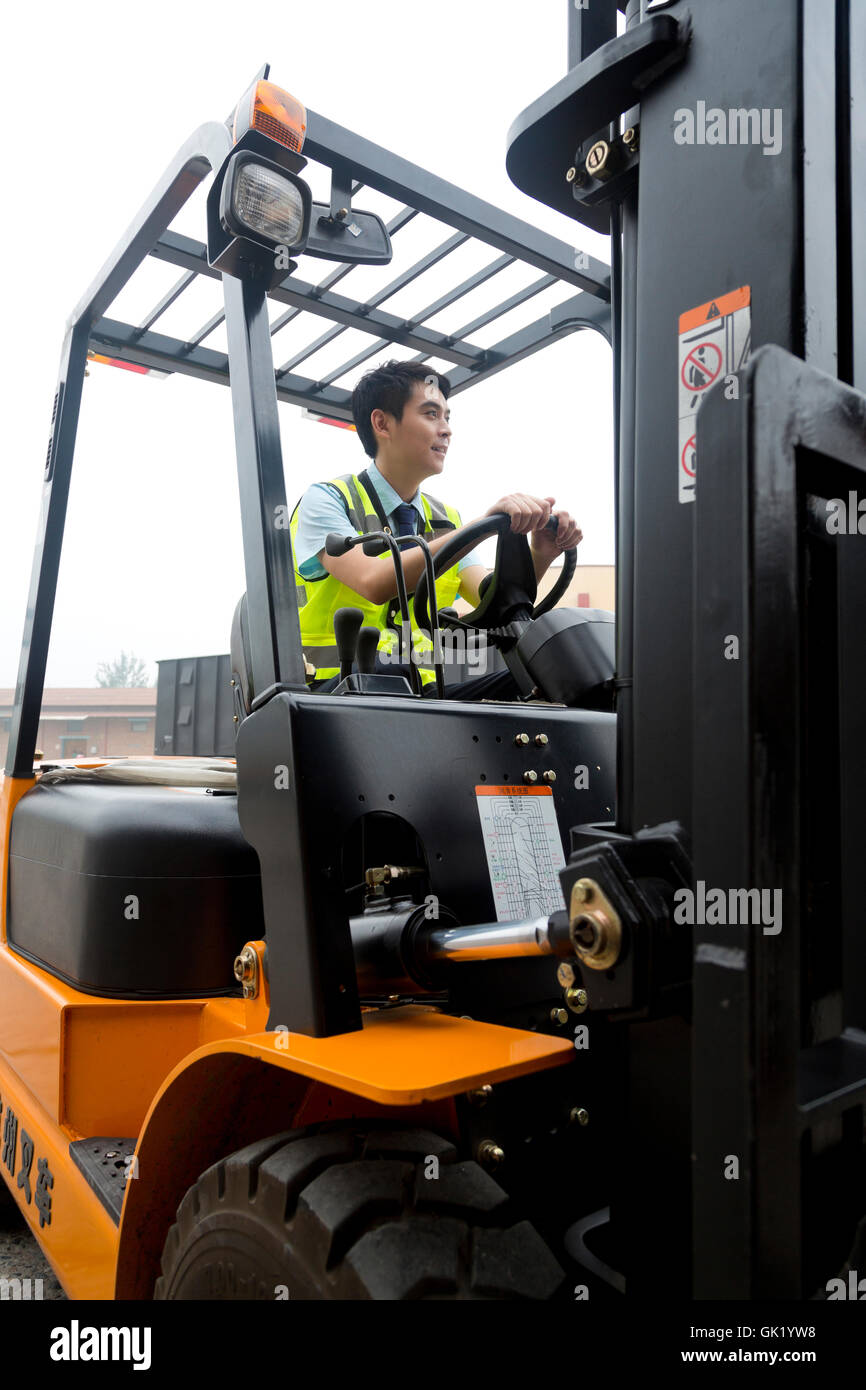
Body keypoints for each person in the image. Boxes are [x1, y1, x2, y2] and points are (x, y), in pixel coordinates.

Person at [290, 359, 582, 698]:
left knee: (553, 675)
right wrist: (479, 528)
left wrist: (540, 553)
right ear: (383, 423)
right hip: (336, 695)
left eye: (447, 417)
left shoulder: (447, 520)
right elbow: (373, 581)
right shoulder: (327, 500)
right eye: (431, 414)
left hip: (422, 695)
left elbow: (493, 599)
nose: (446, 429)